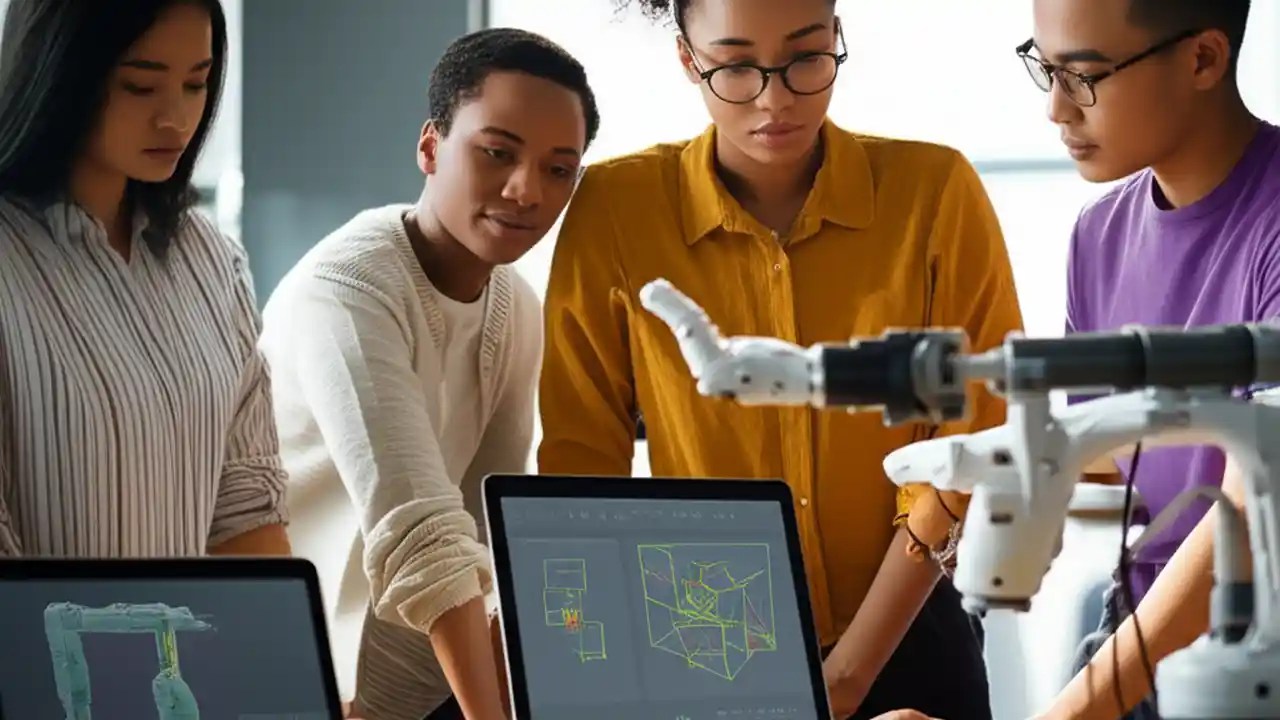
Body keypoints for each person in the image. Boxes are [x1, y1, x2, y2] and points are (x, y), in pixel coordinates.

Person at [537, 0, 1025, 718]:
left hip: (908, 633)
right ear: (687, 61)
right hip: (699, 643)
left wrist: (849, 675)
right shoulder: (615, 207)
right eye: (735, 66)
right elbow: (582, 466)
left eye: (805, 58)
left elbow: (967, 450)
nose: (775, 99)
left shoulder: (935, 193)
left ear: (837, 39)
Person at [258, 28, 600, 720]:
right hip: (305, 670)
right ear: (430, 146)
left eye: (559, 169)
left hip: (425, 678)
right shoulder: (349, 287)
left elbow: (492, 520)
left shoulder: (516, 303)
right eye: (497, 152)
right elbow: (416, 526)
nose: (525, 190)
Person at [1016, 1, 1279, 718]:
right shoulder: (1098, 235)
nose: (1057, 109)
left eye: (1086, 75)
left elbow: (1254, 508)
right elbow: (1115, 461)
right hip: (1138, 628)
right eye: (1046, 68)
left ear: (1203, 59)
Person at [0, 0, 289, 558]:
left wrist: (268, 641)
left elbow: (246, 505)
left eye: (196, 84)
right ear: (56, 75)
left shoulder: (212, 263)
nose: (175, 119)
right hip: (42, 645)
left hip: (196, 646)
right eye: (139, 86)